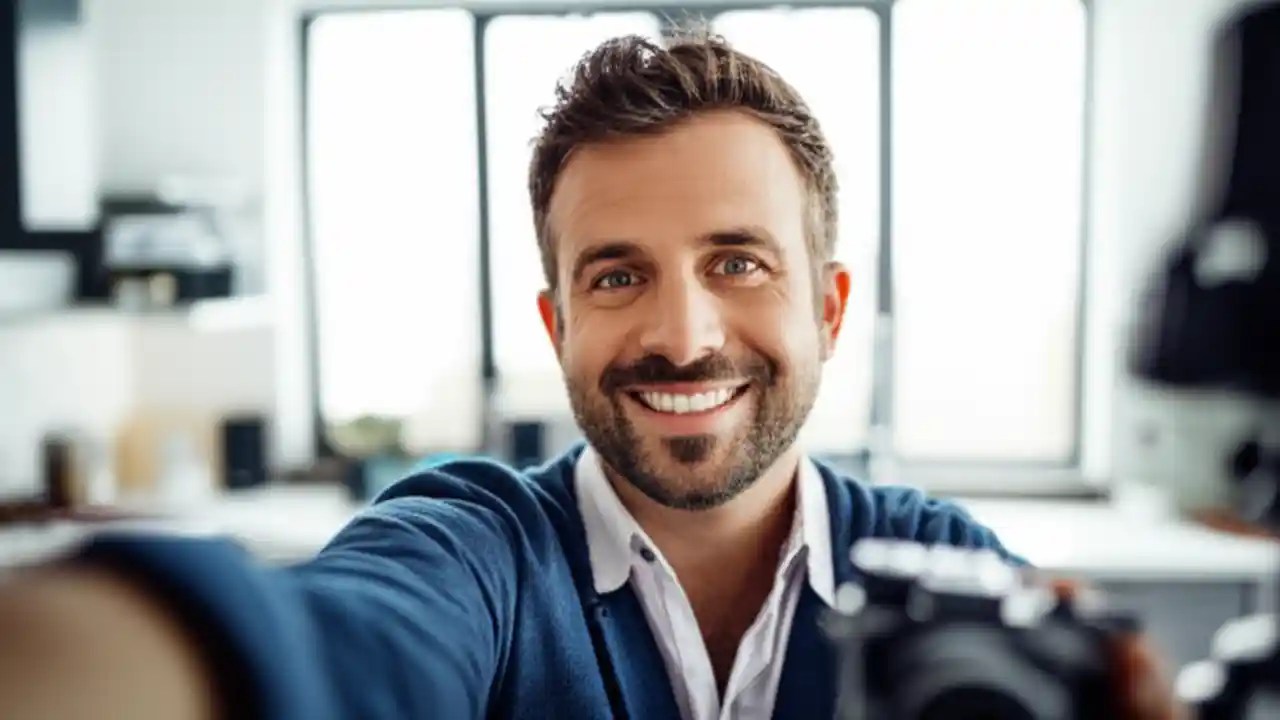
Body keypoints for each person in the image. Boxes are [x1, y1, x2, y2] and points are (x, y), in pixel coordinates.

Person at [0, 31, 1179, 720]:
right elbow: (330, 644)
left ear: (826, 306)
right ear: (554, 322)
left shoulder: (954, 582)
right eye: (617, 278)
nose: (683, 333)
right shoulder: (474, 553)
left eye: (736, 261)